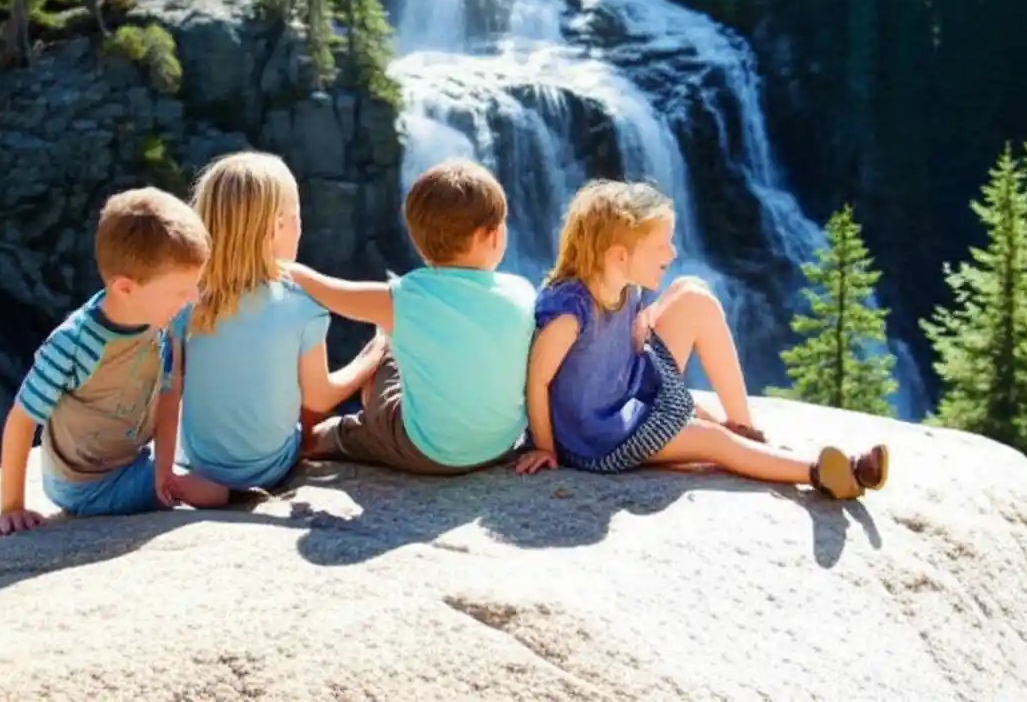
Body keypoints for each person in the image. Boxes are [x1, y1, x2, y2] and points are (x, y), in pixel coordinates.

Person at [518, 179, 888, 500]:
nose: (673, 253)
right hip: (599, 438)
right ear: (619, 256)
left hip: (625, 392)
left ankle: (747, 433)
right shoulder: (569, 314)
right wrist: (546, 449)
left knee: (692, 294)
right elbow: (538, 379)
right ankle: (828, 472)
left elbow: (627, 343)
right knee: (712, 441)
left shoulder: (624, 287)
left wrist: (657, 331)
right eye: (661, 246)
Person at [0, 187, 229, 536]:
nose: (193, 299)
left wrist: (164, 468)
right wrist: (12, 507)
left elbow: (168, 391)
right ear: (126, 288)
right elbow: (22, 419)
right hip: (86, 483)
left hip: (132, 457)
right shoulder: (74, 344)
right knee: (217, 490)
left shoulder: (161, 317)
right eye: (181, 291)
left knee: (216, 462)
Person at [286, 158, 535, 475]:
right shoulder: (523, 292)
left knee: (385, 346)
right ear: (495, 235)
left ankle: (328, 437)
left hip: (426, 451)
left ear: (418, 241)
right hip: (501, 444)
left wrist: (294, 272)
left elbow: (333, 293)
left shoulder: (404, 297)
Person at [172, 151, 385, 491]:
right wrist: (371, 357)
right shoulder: (302, 305)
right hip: (270, 468)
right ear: (275, 229)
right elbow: (319, 397)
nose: (302, 227)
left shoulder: (184, 302)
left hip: (199, 463)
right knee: (313, 416)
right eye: (297, 218)